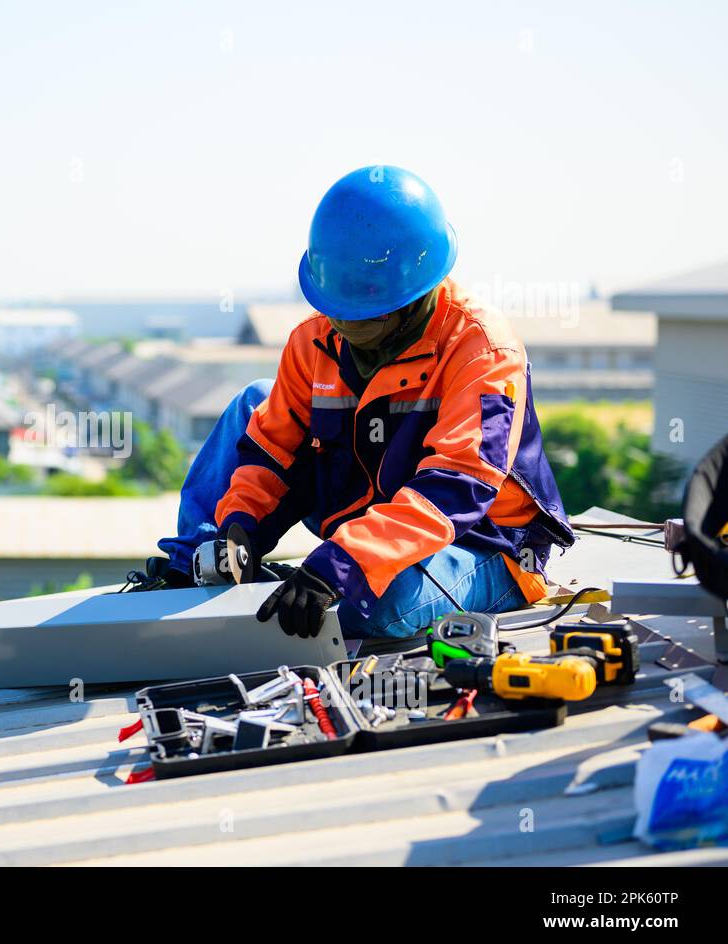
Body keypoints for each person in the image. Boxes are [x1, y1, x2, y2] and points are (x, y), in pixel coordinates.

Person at [134, 165, 575, 641]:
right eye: (334, 312)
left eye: (361, 320)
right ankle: (194, 568)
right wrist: (241, 528)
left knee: (370, 606)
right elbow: (272, 452)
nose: (341, 328)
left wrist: (342, 565)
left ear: (411, 298)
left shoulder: (483, 350)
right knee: (255, 401)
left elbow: (458, 487)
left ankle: (329, 587)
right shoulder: (315, 341)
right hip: (371, 525)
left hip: (481, 542)